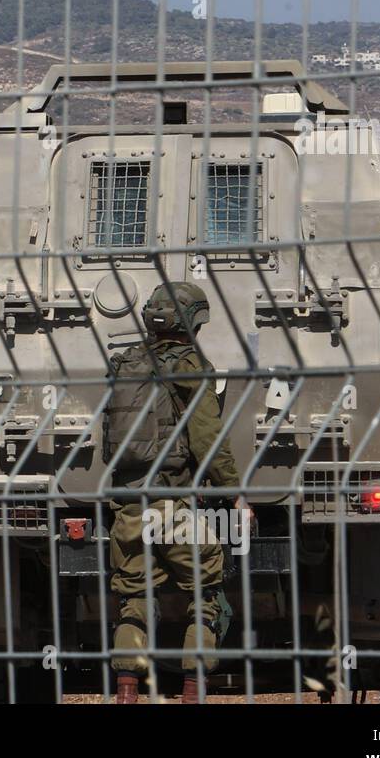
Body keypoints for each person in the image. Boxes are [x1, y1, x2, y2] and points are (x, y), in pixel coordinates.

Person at [107, 281, 250, 704]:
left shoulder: (127, 362)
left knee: (133, 599)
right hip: (174, 506)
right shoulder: (190, 365)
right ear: (193, 322)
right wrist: (234, 494)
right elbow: (207, 439)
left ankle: (127, 690)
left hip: (129, 505)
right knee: (205, 595)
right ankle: (193, 689)